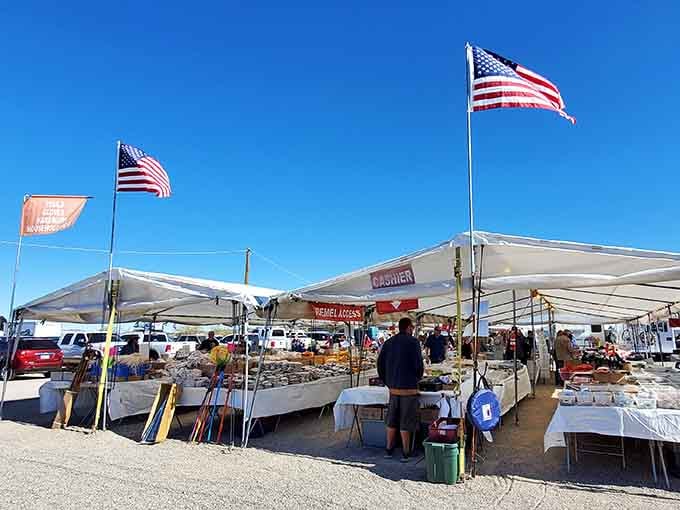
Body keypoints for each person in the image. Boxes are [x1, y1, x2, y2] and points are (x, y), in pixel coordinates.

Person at [377, 317, 424, 462]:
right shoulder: (414, 342)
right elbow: (418, 365)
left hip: (393, 389)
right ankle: (406, 452)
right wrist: (418, 378)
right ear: (409, 327)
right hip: (409, 388)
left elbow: (380, 364)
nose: (413, 330)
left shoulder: (389, 342)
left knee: (392, 420)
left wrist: (388, 382)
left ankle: (389, 450)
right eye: (413, 327)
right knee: (406, 422)